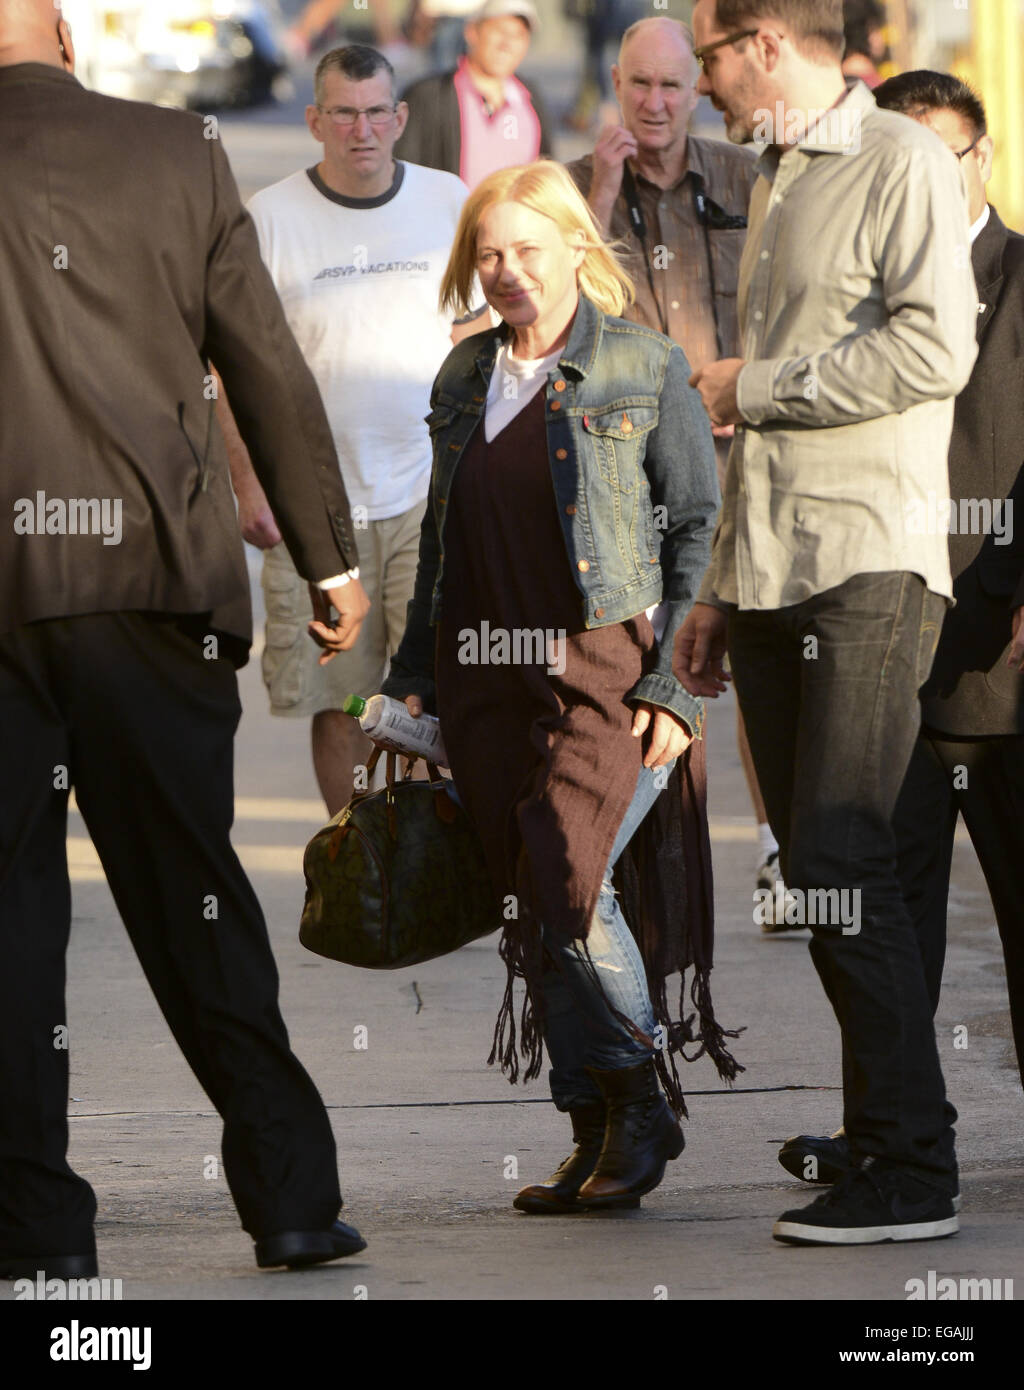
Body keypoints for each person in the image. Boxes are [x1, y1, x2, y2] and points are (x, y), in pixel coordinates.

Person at [0, 0, 373, 1277]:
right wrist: (330, 558)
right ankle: (289, 1198)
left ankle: (39, 1238)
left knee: (9, 926)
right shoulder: (175, 151)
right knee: (193, 889)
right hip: (150, 582)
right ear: (63, 34)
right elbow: (263, 364)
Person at [380, 159, 738, 1214]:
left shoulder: (642, 364)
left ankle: (639, 1102)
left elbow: (698, 529)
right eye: (487, 253)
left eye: (526, 249)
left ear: (576, 250)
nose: (505, 271)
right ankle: (592, 1131)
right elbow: (439, 546)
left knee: (573, 890)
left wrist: (676, 687)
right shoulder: (462, 378)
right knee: (535, 904)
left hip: (607, 677)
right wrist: (407, 695)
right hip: (484, 680)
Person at [678, 0, 978, 1245]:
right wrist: (712, 588)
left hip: (863, 560)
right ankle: (882, 1133)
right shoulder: (780, 171)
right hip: (773, 567)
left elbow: (934, 349)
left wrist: (755, 385)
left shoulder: (896, 160)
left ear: (763, 41)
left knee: (841, 858)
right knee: (833, 870)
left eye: (706, 56)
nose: (699, 83)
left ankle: (912, 1170)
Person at [779, 70, 1024, 1186]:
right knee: (883, 910)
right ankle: (890, 1128)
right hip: (881, 647)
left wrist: (999, 599)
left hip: (999, 654)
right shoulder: (856, 299)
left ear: (976, 163)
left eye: (935, 160)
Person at [566, 17, 786, 921]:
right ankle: (649, 861)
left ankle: (779, 855)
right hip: (635, 477)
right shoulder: (576, 191)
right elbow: (561, 312)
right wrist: (606, 192)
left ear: (696, 88)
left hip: (749, 459)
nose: (655, 105)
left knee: (768, 663)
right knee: (653, 670)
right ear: (614, 87)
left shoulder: (749, 176)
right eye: (638, 87)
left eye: (671, 86)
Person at [221, 45, 475, 817]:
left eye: (375, 112)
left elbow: (484, 331)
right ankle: (363, 863)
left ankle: (445, 865)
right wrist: (248, 482)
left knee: (447, 689)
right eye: (343, 113)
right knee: (342, 701)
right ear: (314, 121)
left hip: (430, 495)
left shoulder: (448, 201)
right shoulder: (268, 218)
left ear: (399, 119)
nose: (361, 130)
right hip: (315, 513)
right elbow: (230, 366)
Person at [394, 0, 552, 188]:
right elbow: (401, 172)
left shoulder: (531, 98)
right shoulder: (428, 96)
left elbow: (548, 176)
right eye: (499, 31)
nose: (507, 44)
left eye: (519, 35)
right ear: (472, 32)